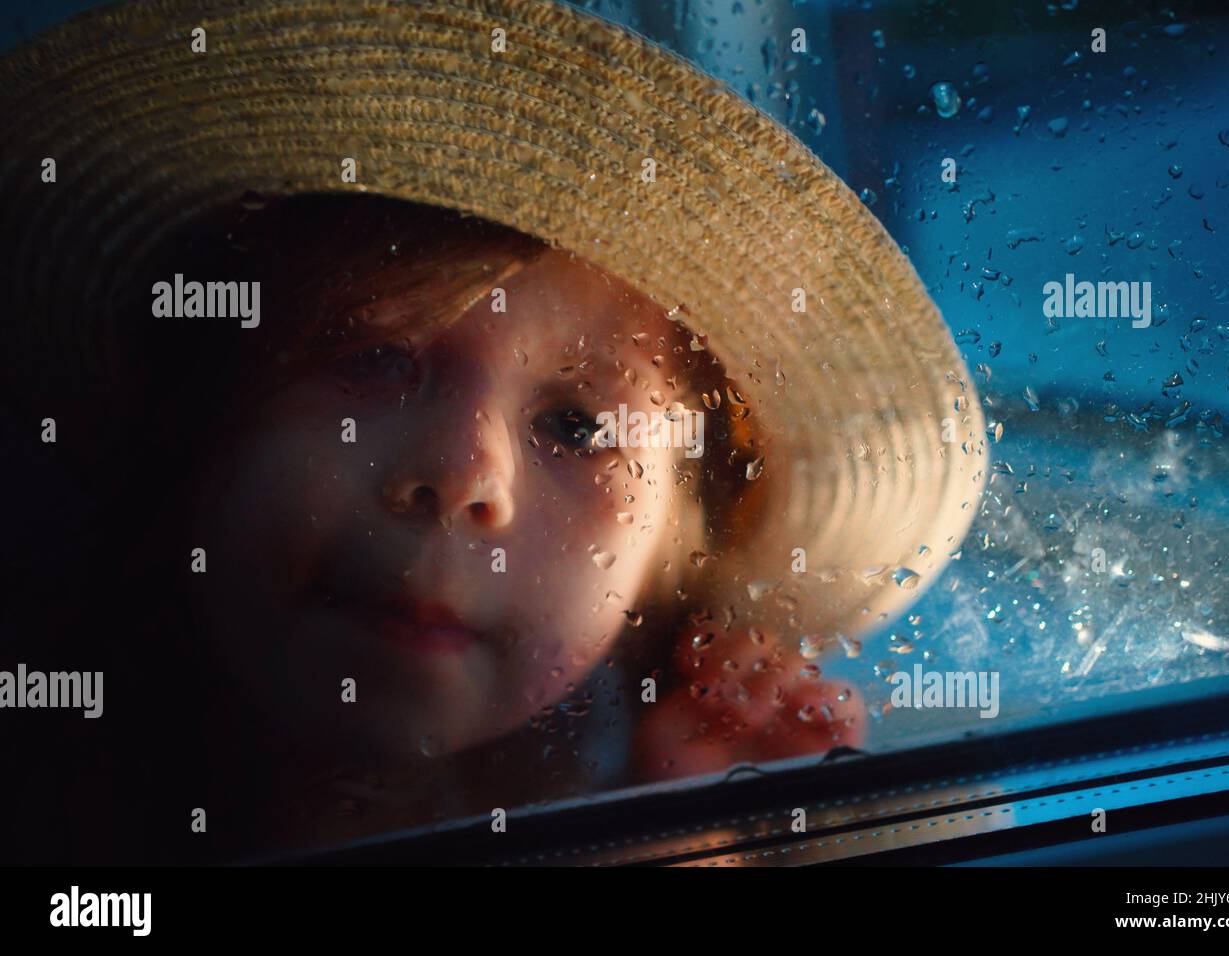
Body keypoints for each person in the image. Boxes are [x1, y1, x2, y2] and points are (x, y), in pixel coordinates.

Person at [0, 0, 986, 863]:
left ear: (661, 566)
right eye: (377, 356)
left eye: (574, 423)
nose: (462, 470)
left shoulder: (654, 792)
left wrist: (689, 833)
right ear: (205, 412)